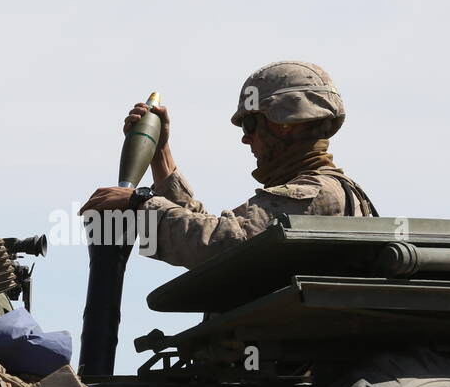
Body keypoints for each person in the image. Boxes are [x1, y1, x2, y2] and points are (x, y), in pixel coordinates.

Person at [81, 60, 377, 269]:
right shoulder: (321, 190)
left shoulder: (317, 193)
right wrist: (161, 154)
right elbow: (219, 235)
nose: (246, 140)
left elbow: (222, 245)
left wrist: (139, 204)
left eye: (250, 125)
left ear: (288, 123)